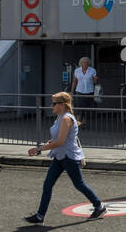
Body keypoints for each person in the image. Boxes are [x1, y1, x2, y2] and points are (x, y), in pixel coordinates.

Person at [23, 92, 105, 223]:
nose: (52, 106)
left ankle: (99, 206)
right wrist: (47, 143)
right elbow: (56, 139)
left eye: (54, 103)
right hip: (59, 156)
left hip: (69, 156)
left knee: (79, 184)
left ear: (62, 105)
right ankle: (40, 215)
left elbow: (60, 141)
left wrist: (39, 149)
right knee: (47, 184)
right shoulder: (59, 117)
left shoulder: (66, 119)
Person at [72, 56, 97, 126]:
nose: (85, 64)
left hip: (89, 91)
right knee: (80, 106)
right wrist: (71, 91)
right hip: (79, 91)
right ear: (81, 63)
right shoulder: (77, 70)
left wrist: (95, 79)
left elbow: (96, 82)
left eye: (87, 62)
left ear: (89, 63)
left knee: (87, 107)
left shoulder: (92, 70)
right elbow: (74, 81)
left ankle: (83, 121)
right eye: (83, 62)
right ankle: (79, 120)